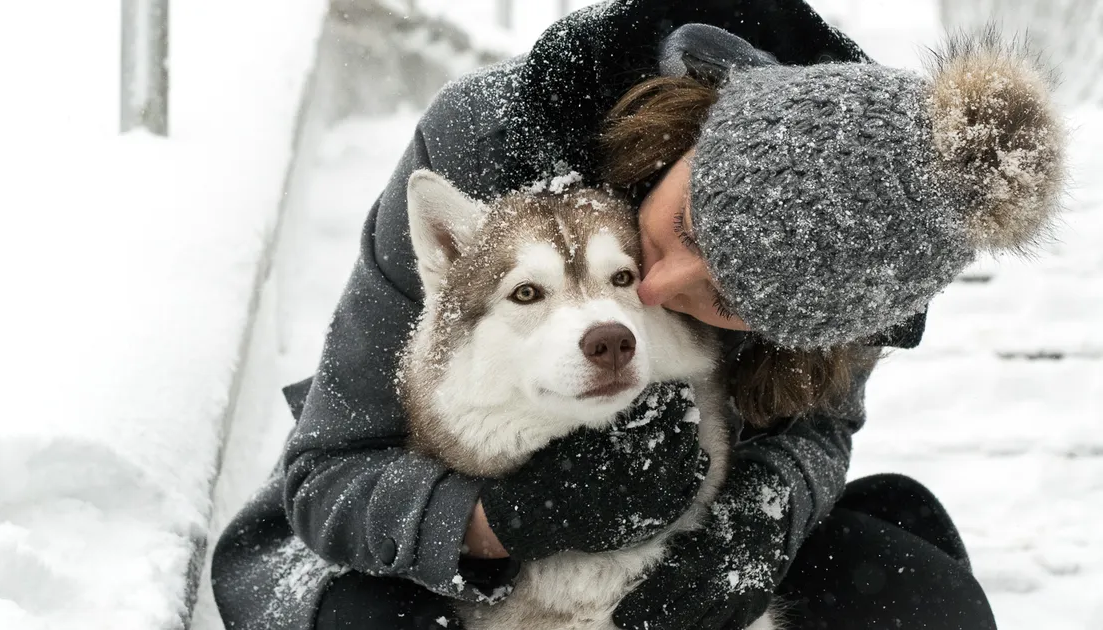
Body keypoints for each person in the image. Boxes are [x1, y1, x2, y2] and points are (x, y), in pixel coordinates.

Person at [210, 2, 1066, 629]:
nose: (658, 288)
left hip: (686, 529)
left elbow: (816, 431)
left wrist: (750, 534)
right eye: (688, 223)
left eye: (727, 298)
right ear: (701, 135)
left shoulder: (865, 252)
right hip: (420, 537)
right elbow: (329, 472)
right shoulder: (491, 140)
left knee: (916, 596)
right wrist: (504, 522)